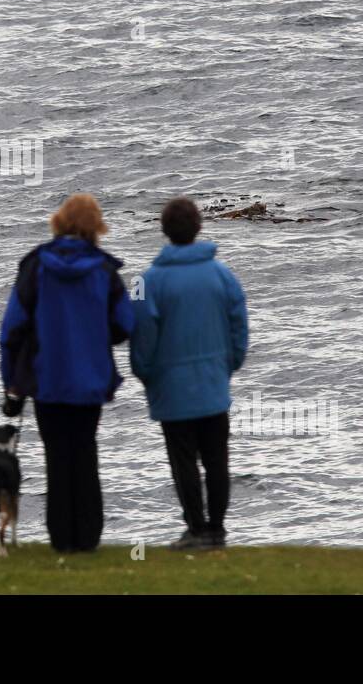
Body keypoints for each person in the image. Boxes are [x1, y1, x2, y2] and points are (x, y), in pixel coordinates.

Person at [0, 193, 135, 552]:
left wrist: (10, 387)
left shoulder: (35, 266)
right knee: (85, 453)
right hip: (89, 381)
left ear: (59, 222)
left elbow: (11, 330)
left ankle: (62, 540)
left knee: (56, 458)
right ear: (96, 228)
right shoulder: (105, 270)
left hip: (47, 382)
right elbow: (125, 325)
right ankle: (87, 539)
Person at [130, 197, 248, 550]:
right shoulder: (223, 275)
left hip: (172, 387)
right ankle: (217, 529)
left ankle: (196, 528)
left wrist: (146, 374)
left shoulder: (148, 281)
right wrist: (229, 364)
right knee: (216, 460)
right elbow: (238, 326)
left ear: (165, 231)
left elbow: (142, 337)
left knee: (183, 461)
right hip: (213, 382)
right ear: (198, 227)